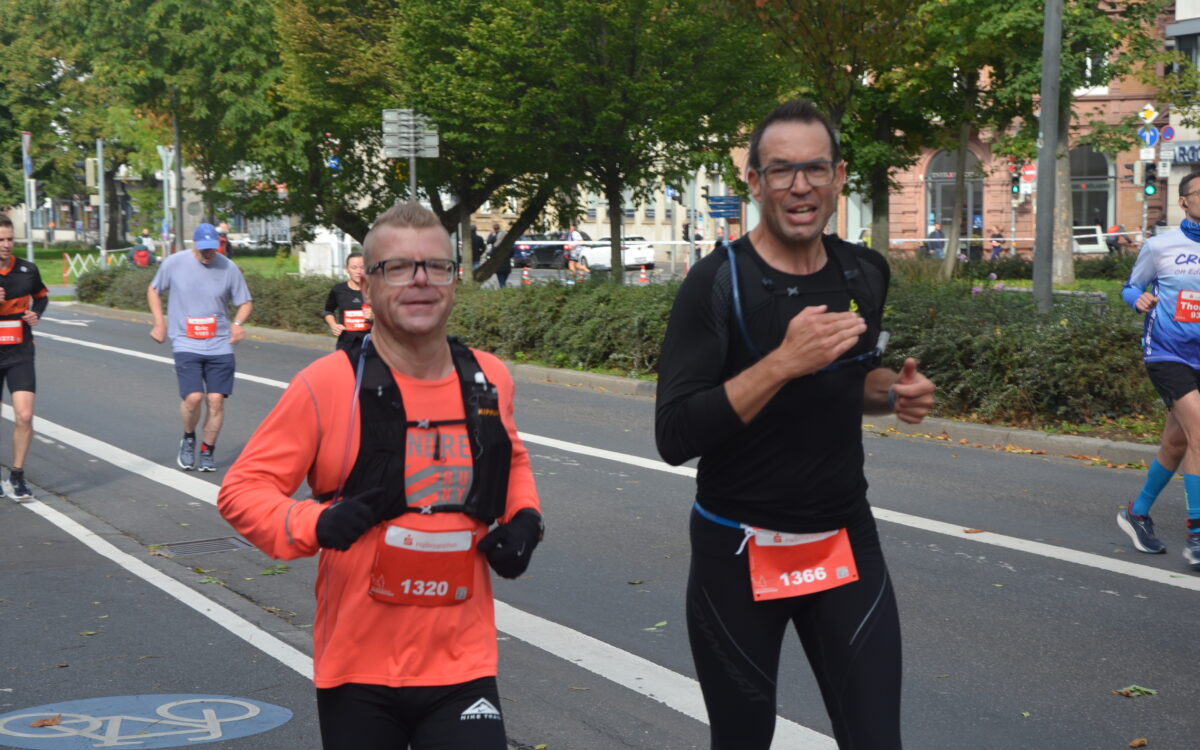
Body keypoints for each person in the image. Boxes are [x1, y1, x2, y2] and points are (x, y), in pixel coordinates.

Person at [654, 99, 935, 750]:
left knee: (875, 739)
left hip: (842, 539)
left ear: (839, 177)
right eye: (781, 171)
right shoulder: (714, 284)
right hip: (738, 546)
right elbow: (675, 435)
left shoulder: (864, 272)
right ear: (753, 182)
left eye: (814, 169)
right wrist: (782, 362)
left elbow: (847, 384)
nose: (800, 186)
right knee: (744, 740)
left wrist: (893, 394)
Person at [217, 201, 544, 750]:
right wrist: (314, 523)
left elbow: (510, 460)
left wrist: (526, 518)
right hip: (358, 667)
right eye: (398, 268)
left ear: (454, 281)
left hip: (462, 663)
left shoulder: (489, 378)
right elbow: (242, 491)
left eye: (436, 266)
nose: (420, 281)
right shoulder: (325, 385)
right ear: (366, 287)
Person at [1117, 169, 1200, 573]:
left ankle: (1137, 512)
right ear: (1183, 200)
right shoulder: (1160, 246)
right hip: (1167, 352)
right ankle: (1197, 535)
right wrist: (1138, 300)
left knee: (1176, 443)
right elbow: (1130, 286)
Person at [148, 222, 253, 472]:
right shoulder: (174, 263)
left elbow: (245, 302)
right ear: (193, 244)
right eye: (204, 249)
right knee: (194, 397)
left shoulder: (228, 267)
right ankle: (188, 438)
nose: (209, 254)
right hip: (186, 341)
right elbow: (153, 290)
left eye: (213, 249)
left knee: (216, 400)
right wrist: (158, 322)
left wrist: (237, 323)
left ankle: (207, 450)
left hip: (219, 344)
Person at [0, 215, 48, 501]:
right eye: (0, 240)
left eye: (10, 239)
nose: (6, 245)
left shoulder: (27, 270)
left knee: (25, 415)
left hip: (20, 351)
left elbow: (41, 296)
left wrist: (36, 314)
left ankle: (17, 475)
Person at [322, 252, 373, 352]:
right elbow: (327, 311)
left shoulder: (376, 290)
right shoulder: (338, 290)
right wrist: (333, 325)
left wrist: (375, 316)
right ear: (347, 269)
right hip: (346, 344)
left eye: (362, 267)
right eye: (354, 267)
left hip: (372, 344)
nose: (358, 271)